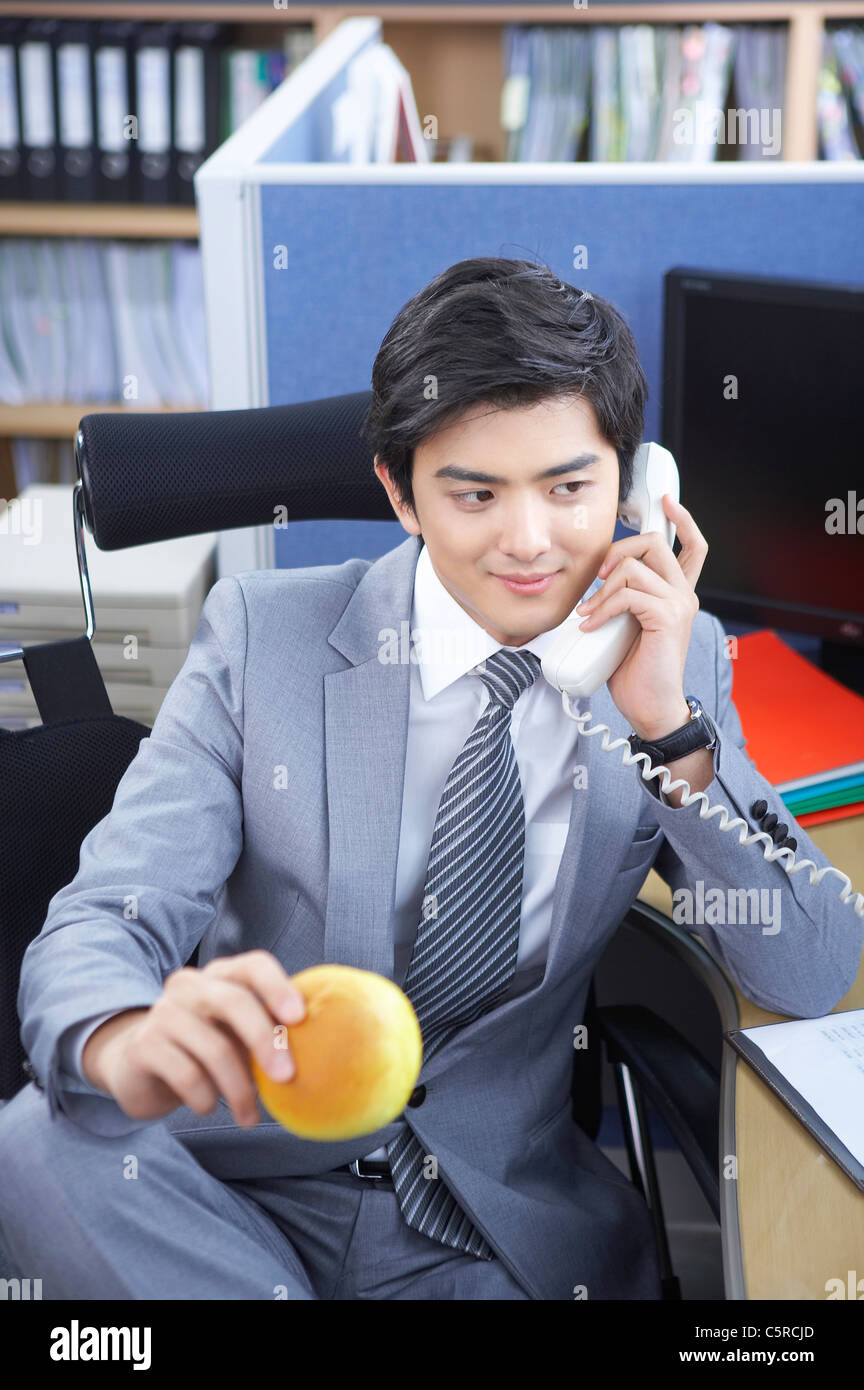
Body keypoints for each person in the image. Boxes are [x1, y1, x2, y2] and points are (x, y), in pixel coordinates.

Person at [0, 258, 858, 1301]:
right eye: (476, 493)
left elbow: (815, 963)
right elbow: (97, 926)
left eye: (569, 486)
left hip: (483, 1225)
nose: (531, 541)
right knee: (37, 1142)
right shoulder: (263, 640)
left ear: (636, 485)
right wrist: (125, 1037)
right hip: (234, 1184)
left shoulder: (675, 658)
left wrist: (671, 733)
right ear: (400, 492)